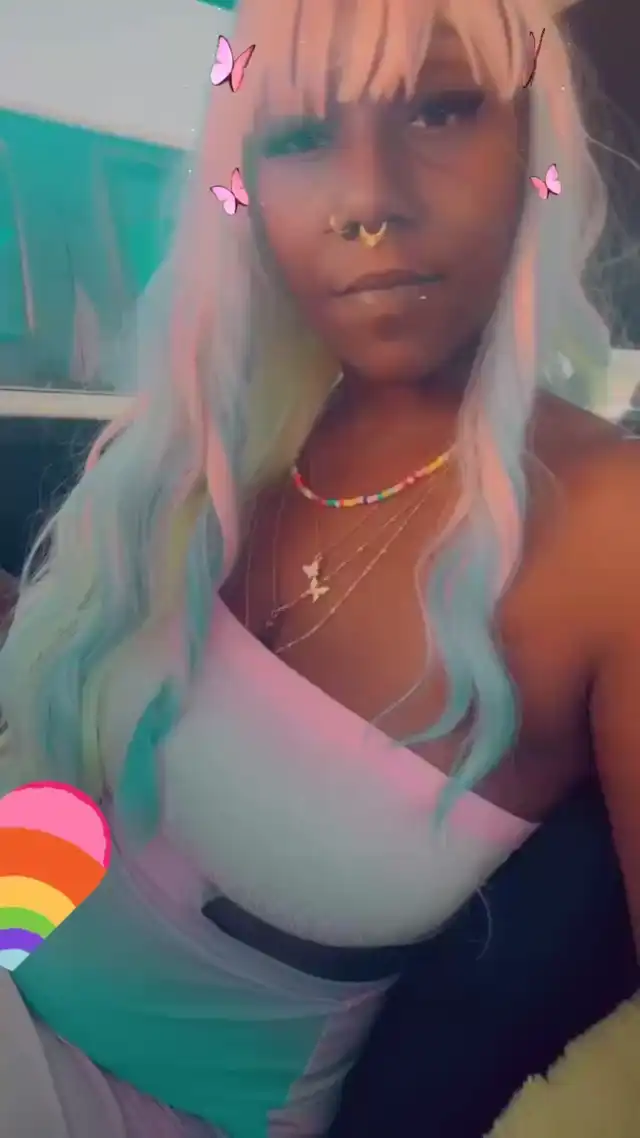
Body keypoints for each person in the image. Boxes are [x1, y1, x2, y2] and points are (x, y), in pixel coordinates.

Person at [0, 0, 639, 1135]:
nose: (367, 201)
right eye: (298, 135)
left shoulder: (609, 530)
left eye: (441, 110)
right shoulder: (215, 442)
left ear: (534, 145)